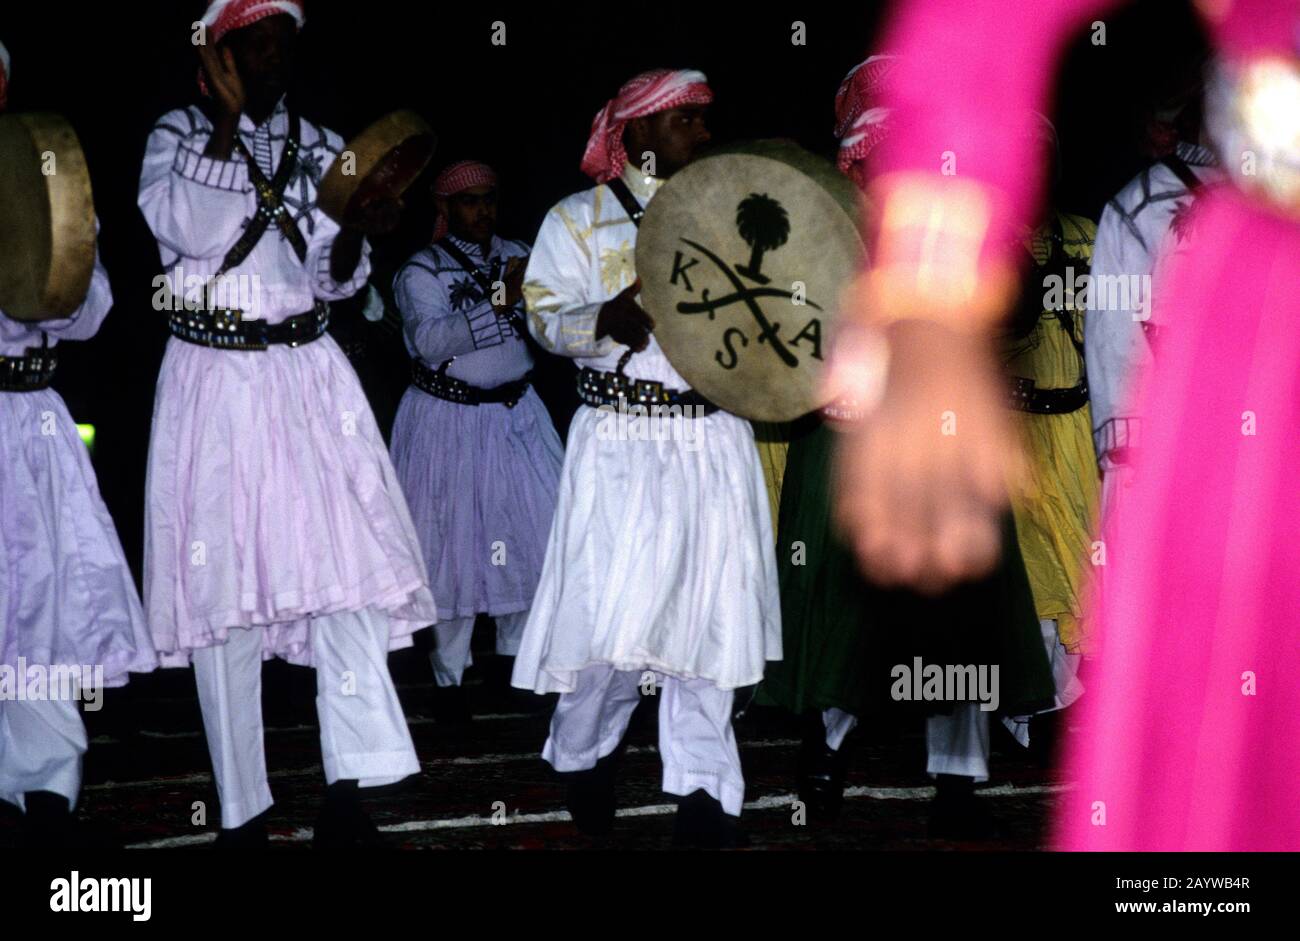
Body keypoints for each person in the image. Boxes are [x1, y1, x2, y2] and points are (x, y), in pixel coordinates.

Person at [829, 0, 1299, 851]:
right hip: (1242, 337)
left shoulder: (1079, 232)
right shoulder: (1136, 213)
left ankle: (972, 764)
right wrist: (931, 303)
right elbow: (979, 26)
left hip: (1068, 429)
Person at [138, 0, 436, 847]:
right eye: (255, 47)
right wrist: (227, 126)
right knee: (222, 599)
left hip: (308, 376)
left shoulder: (325, 146)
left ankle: (347, 793)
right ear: (221, 55)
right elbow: (182, 228)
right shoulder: (173, 137)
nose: (272, 61)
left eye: (282, 49)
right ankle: (243, 809)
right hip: (213, 383)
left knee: (345, 576)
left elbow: (336, 281)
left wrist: (356, 236)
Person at [757, 56, 1054, 837]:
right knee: (844, 613)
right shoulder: (813, 234)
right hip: (848, 450)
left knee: (956, 611)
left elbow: (1017, 311)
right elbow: (777, 344)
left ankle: (958, 774)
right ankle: (824, 750)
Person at [512, 68, 782, 847]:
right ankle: (582, 754)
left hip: (713, 442)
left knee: (709, 626)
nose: (704, 134)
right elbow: (542, 317)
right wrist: (604, 319)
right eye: (687, 120)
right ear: (634, 132)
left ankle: (703, 795)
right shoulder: (575, 221)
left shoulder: (736, 216)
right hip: (619, 445)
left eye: (706, 121)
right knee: (608, 635)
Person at [0, 38, 157, 846]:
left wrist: (41, 288)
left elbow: (90, 307)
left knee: (45, 605)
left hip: (28, 416)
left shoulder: (39, 170)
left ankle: (50, 796)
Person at [390, 160, 561, 721]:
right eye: (469, 201)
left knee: (533, 538)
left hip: (517, 415)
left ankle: (515, 666)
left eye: (490, 198)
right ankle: (449, 679)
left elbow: (559, 323)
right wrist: (497, 299)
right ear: (444, 209)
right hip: (449, 419)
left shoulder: (522, 253)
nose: (482, 210)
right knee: (452, 548)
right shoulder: (421, 269)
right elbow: (430, 341)